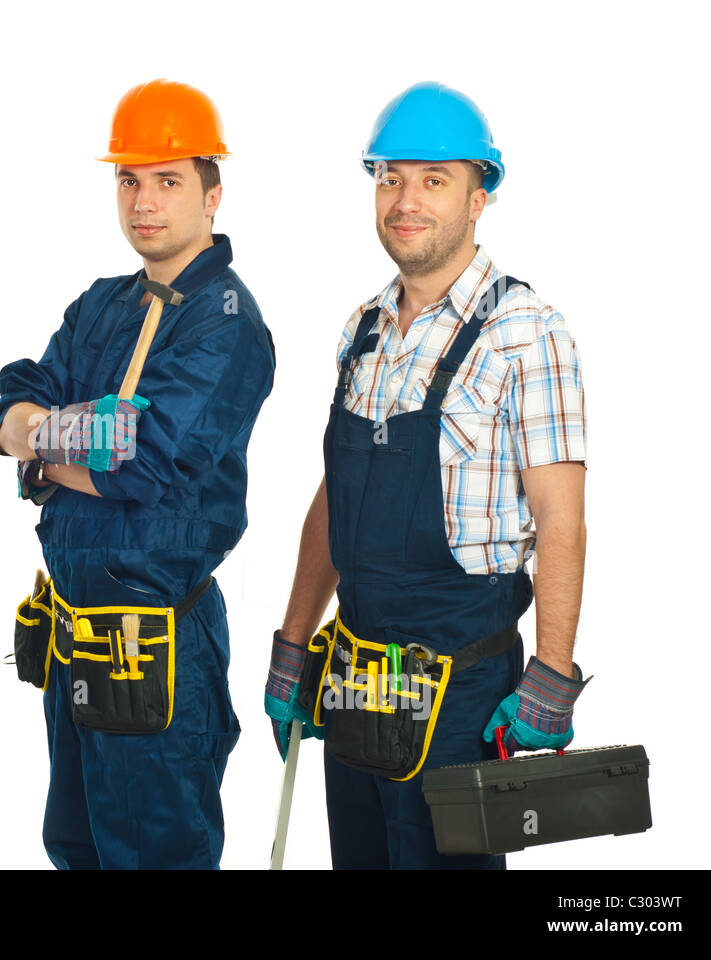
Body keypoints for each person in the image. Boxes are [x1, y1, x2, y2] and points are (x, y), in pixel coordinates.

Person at [266, 81, 589, 869]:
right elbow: (333, 502)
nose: (405, 200)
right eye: (389, 178)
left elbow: (561, 518)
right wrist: (293, 641)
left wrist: (550, 672)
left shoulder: (526, 333)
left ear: (481, 195)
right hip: (355, 680)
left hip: (462, 693)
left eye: (434, 179)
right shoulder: (362, 331)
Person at [0, 79, 275, 869]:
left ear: (212, 194)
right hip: (71, 634)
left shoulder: (227, 326)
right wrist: (69, 442)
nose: (143, 201)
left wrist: (45, 455)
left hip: (156, 644)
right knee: (77, 846)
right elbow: (15, 403)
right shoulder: (100, 305)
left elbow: (148, 462)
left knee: (157, 856)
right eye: (129, 179)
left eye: (167, 179)